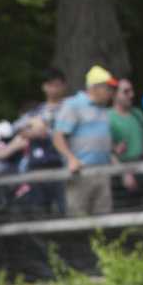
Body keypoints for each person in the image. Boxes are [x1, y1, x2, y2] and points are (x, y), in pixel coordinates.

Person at [53, 65, 118, 218]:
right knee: (79, 218)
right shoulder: (73, 105)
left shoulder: (103, 109)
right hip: (81, 173)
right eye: (108, 88)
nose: (111, 92)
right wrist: (71, 159)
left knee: (104, 219)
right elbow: (58, 136)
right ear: (95, 88)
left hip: (103, 172)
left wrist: (113, 157)